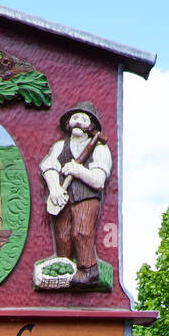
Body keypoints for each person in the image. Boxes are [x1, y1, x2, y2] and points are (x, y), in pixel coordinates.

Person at [40, 104, 113, 287]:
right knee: (63, 236)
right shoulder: (59, 146)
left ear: (91, 126)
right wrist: (55, 188)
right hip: (63, 199)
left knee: (81, 232)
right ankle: (64, 269)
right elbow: (48, 166)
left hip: (86, 199)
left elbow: (98, 181)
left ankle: (89, 271)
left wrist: (79, 171)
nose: (78, 121)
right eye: (75, 117)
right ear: (68, 123)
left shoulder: (99, 149)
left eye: (84, 118)